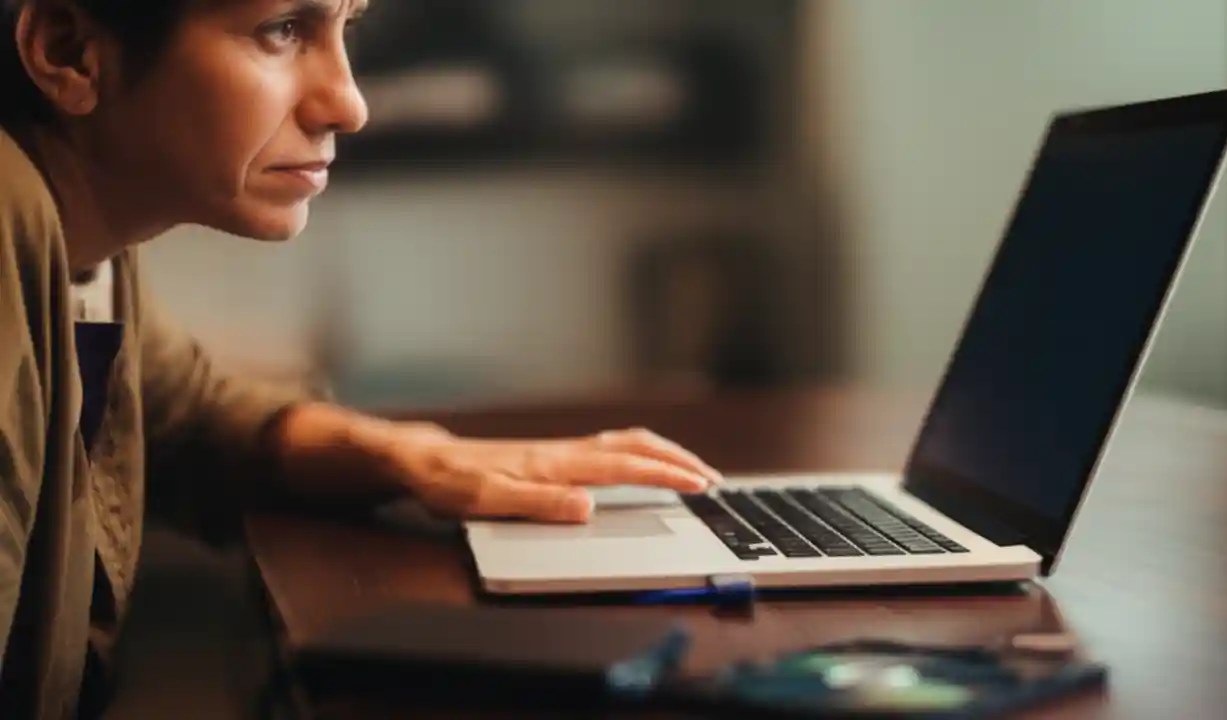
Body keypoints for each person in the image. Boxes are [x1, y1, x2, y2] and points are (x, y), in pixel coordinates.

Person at [0, 0, 723, 716]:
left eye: (347, 28)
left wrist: (417, 458)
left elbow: (182, 412)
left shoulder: (88, 241)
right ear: (69, 51)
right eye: (282, 30)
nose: (348, 105)